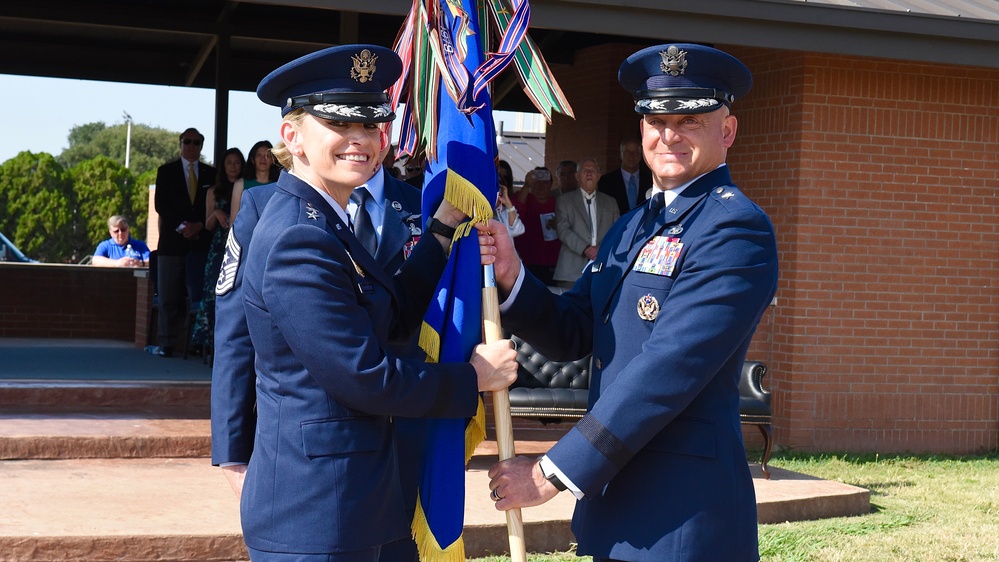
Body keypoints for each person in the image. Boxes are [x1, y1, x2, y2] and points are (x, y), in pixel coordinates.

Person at [212, 44, 518, 562]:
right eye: (340, 125)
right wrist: (472, 378)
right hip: (319, 511)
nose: (361, 141)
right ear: (293, 136)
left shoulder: (326, 220)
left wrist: (442, 230)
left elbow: (390, 311)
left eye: (372, 126)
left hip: (359, 501)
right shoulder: (296, 237)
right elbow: (363, 374)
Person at [484, 43, 779, 561]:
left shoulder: (734, 228)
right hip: (615, 511)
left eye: (689, 119)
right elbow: (577, 327)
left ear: (726, 131)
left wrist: (552, 472)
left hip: (680, 516)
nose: (670, 134)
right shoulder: (632, 226)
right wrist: (513, 279)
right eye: (655, 119)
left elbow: (669, 368)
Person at [153, 128, 216, 358]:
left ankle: (197, 344)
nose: (192, 146)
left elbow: (215, 205)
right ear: (180, 143)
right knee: (168, 297)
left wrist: (199, 225)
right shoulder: (166, 171)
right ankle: (166, 343)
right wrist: (183, 227)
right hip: (172, 244)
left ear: (201, 146)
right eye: (187, 141)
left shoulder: (211, 174)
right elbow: (161, 205)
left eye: (196, 142)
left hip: (200, 245)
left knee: (198, 296)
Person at [191, 147, 245, 354]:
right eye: (229, 162)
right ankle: (205, 341)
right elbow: (207, 224)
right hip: (218, 247)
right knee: (213, 292)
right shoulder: (213, 191)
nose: (232, 166)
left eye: (237, 162)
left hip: (239, 244)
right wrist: (217, 212)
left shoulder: (245, 188)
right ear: (223, 166)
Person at [553, 158, 619, 289]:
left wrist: (601, 249)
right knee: (569, 308)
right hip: (571, 270)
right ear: (577, 176)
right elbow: (563, 230)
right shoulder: (564, 200)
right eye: (585, 170)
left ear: (599, 176)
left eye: (593, 170)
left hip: (603, 267)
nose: (589, 173)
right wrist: (586, 249)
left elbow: (617, 231)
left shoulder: (610, 202)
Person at [513, 167, 560, 286]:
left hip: (554, 261)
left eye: (545, 182)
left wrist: (559, 224)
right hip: (527, 260)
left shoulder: (559, 203)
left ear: (551, 184)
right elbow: (514, 213)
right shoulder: (524, 198)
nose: (541, 186)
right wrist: (526, 185)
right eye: (537, 182)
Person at [229, 139, 280, 223]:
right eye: (259, 155)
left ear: (272, 160)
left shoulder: (279, 185)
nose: (263, 159)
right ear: (252, 159)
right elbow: (233, 219)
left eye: (267, 155)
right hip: (246, 233)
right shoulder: (240, 184)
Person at [598, 138, 652, 215]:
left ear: (641, 155)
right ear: (621, 154)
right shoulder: (606, 181)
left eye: (635, 152)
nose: (631, 156)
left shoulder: (650, 180)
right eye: (627, 152)